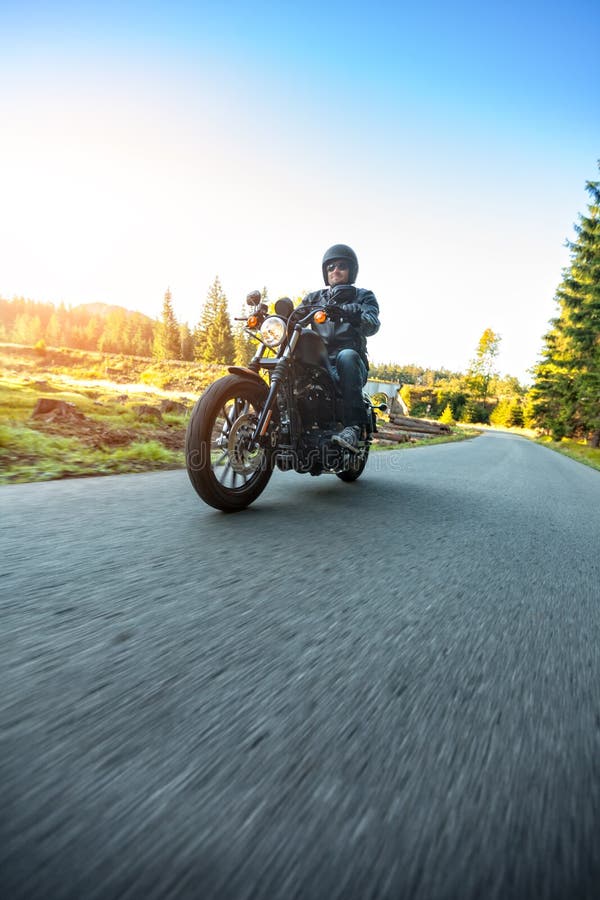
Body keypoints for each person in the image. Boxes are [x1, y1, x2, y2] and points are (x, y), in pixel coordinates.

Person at [297, 243, 380, 450]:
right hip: (319, 362)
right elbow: (294, 318)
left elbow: (373, 323)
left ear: (351, 270)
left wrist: (354, 315)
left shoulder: (363, 296)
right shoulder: (314, 298)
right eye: (331, 267)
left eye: (342, 266)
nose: (335, 270)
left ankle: (353, 427)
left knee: (347, 356)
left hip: (351, 362)